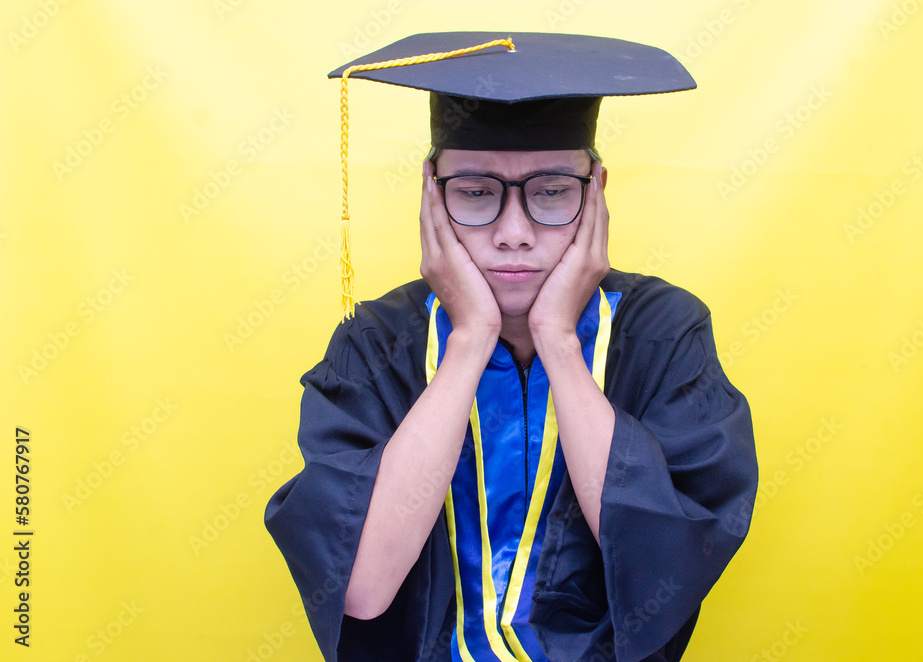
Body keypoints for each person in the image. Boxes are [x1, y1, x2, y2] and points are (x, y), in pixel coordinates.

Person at [265, 32, 758, 662]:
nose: (514, 233)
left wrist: (557, 339)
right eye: (475, 192)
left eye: (553, 191)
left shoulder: (663, 334)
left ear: (597, 190)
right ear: (431, 194)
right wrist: (470, 339)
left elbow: (663, 569)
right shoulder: (376, 345)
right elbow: (359, 586)